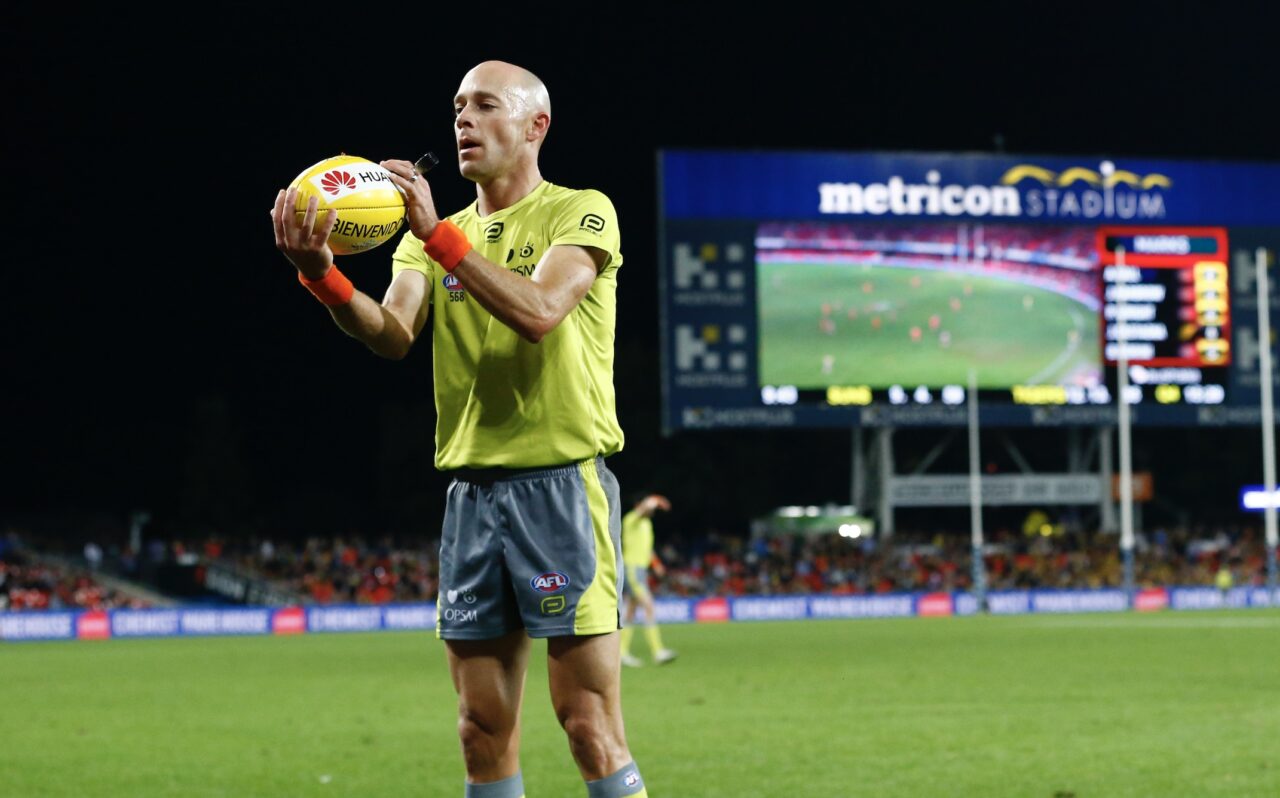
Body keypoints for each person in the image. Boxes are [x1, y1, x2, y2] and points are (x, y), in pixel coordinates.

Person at [270, 61, 647, 798]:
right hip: (472, 498)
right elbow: (391, 333)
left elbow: (540, 312)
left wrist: (440, 235)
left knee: (587, 727)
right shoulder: (431, 238)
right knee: (480, 731)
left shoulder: (581, 210)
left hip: (562, 488)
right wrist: (323, 276)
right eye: (456, 108)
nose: (463, 121)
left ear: (536, 125)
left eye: (485, 105)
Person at [619, 494, 677, 667]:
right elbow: (643, 510)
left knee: (630, 610)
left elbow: (647, 548)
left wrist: (656, 563)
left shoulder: (646, 524)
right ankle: (658, 651)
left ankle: (621, 652)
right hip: (632, 569)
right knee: (649, 606)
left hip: (641, 569)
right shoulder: (631, 519)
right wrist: (655, 500)